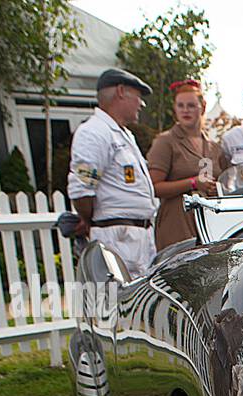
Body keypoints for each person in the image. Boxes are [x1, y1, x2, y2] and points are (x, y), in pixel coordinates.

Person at [67, 68, 159, 277]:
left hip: (137, 238)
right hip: (117, 238)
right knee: (117, 305)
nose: (141, 104)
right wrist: (92, 221)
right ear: (120, 91)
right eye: (138, 97)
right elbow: (81, 191)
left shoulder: (122, 133)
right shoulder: (94, 132)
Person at [146, 79, 226, 251]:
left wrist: (215, 188)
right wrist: (193, 183)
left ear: (202, 107)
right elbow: (154, 187)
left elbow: (226, 183)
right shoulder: (166, 141)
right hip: (177, 225)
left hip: (209, 227)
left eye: (191, 105)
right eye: (180, 105)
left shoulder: (215, 147)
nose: (185, 110)